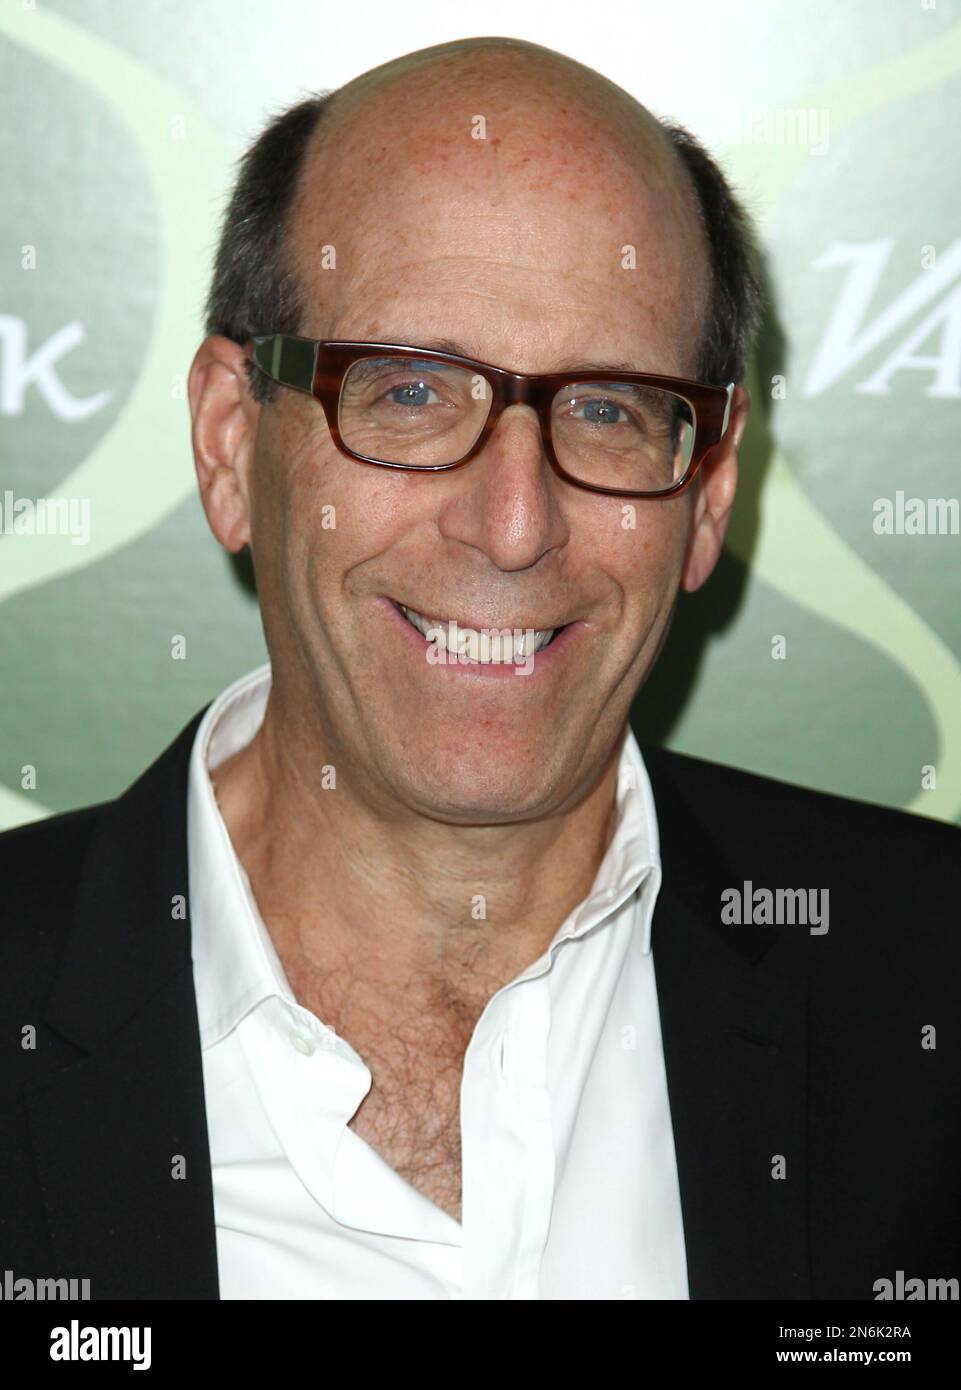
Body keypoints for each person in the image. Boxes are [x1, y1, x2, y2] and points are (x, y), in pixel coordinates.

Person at [3, 35, 959, 1303]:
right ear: (233, 443)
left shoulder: (925, 980)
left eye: (610, 408)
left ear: (709, 498)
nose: (514, 523)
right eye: (407, 391)